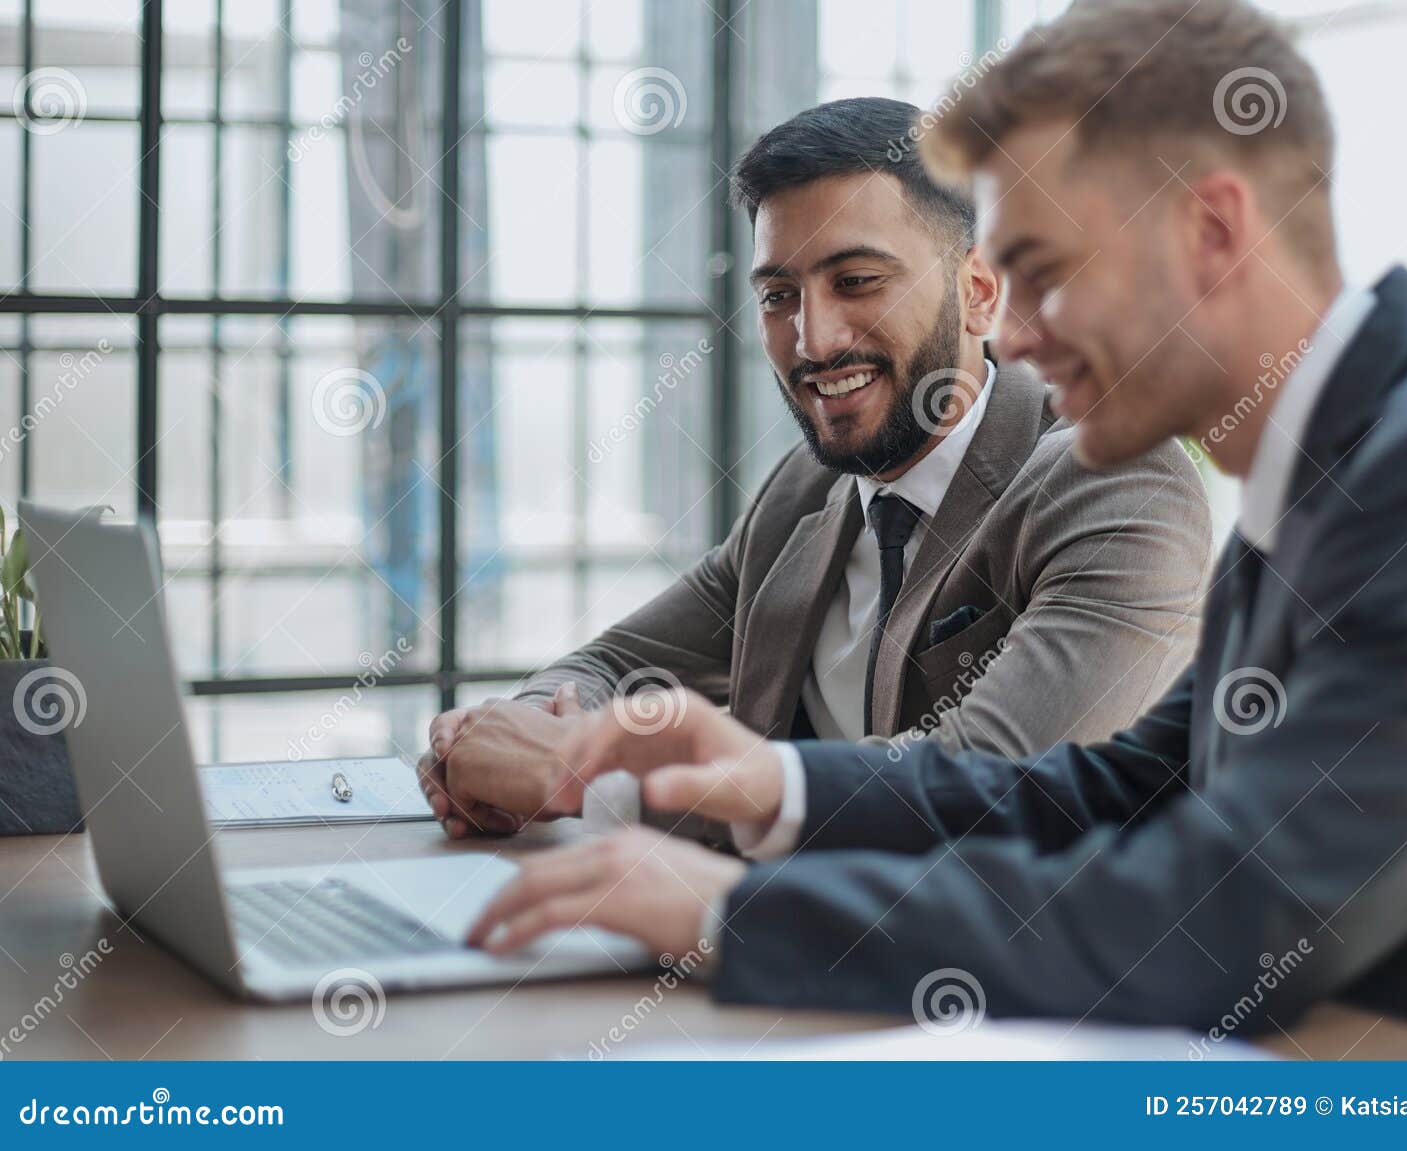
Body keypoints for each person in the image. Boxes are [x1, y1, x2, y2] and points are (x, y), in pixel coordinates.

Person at [459, 0, 1407, 1058]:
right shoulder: (1339, 454)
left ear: (1211, 227)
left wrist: (737, 907)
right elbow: (1113, 791)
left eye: (1046, 274)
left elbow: (1228, 913)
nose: (1019, 334)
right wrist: (774, 784)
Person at [420, 96, 1210, 838]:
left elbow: (978, 792)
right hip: (770, 950)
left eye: (856, 281)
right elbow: (615, 663)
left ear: (976, 291)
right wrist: (517, 732)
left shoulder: (1118, 481)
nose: (813, 339)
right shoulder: (806, 490)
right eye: (777, 295)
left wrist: (586, 777)